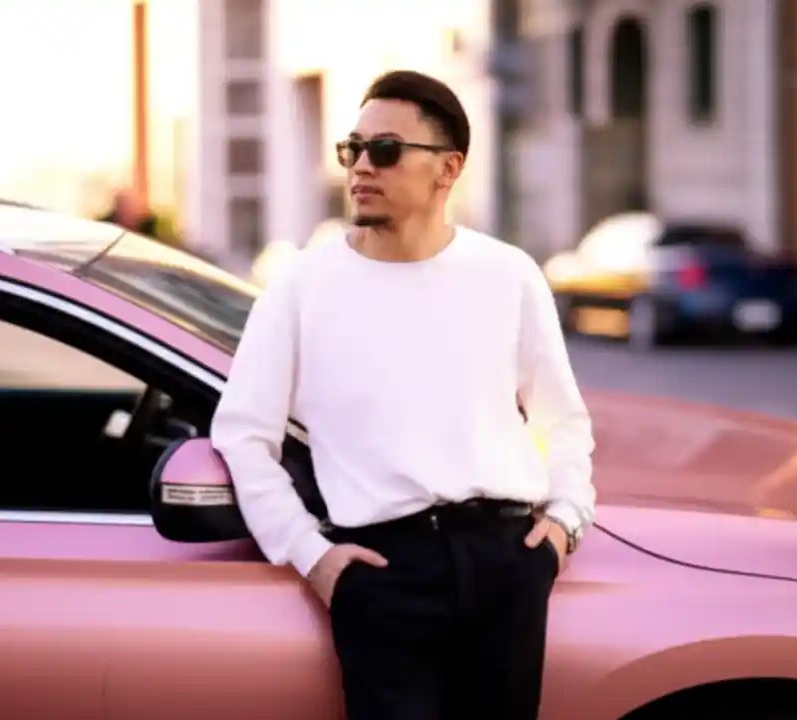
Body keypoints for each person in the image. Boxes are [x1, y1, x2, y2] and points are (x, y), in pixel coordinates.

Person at [210, 70, 596, 720]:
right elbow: (242, 435)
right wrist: (314, 557)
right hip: (383, 572)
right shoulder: (302, 286)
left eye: (384, 150)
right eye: (352, 149)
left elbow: (564, 422)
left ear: (448, 169)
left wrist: (564, 524)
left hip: (507, 561)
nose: (361, 166)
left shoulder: (508, 275)